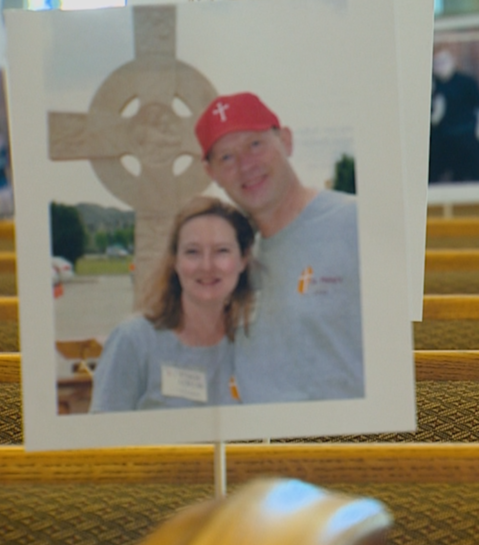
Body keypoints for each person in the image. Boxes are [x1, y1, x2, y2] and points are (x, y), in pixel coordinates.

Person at [195, 91, 363, 403]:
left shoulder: (356, 223)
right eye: (227, 157)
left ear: (286, 140)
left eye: (255, 144)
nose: (245, 165)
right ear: (211, 173)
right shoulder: (234, 267)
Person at [90, 197, 255, 412]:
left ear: (243, 259)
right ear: (175, 261)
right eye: (192, 252)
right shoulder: (133, 341)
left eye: (221, 251)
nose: (206, 266)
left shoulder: (252, 346)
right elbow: (103, 429)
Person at [428, 45, 479, 183]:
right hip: (442, 139)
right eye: (436, 63)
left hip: (467, 136)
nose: (441, 66)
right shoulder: (432, 85)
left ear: (452, 61)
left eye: (444, 61)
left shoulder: (467, 82)